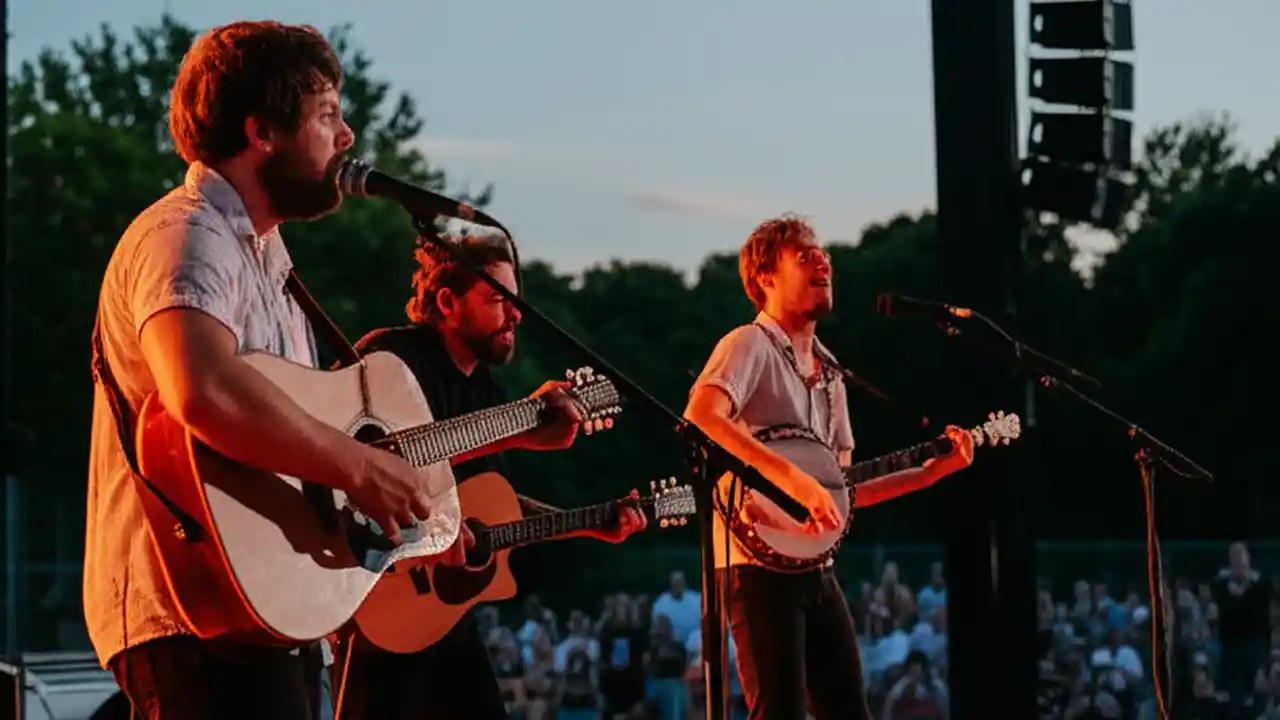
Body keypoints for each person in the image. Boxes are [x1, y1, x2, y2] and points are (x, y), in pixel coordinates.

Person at [83, 21, 571, 719]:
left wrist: (408, 510)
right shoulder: (187, 235)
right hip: (191, 618)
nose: (347, 137)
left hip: (265, 610)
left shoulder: (266, 259)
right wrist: (361, 469)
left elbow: (289, 451)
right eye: (327, 114)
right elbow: (204, 389)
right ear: (262, 132)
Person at [331, 232, 646, 719]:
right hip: (378, 598)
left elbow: (488, 501)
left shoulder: (484, 387)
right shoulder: (389, 359)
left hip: (443, 612)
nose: (515, 315)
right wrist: (523, 421)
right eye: (498, 299)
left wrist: (588, 522)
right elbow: (356, 457)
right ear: (446, 301)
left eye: (516, 301)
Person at [682, 214, 976, 720]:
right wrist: (791, 478)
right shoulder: (748, 344)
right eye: (805, 255)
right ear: (766, 277)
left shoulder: (832, 372)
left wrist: (931, 473)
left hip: (817, 568)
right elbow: (701, 415)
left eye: (825, 255)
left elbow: (841, 490)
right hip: (755, 568)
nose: (823, 261)